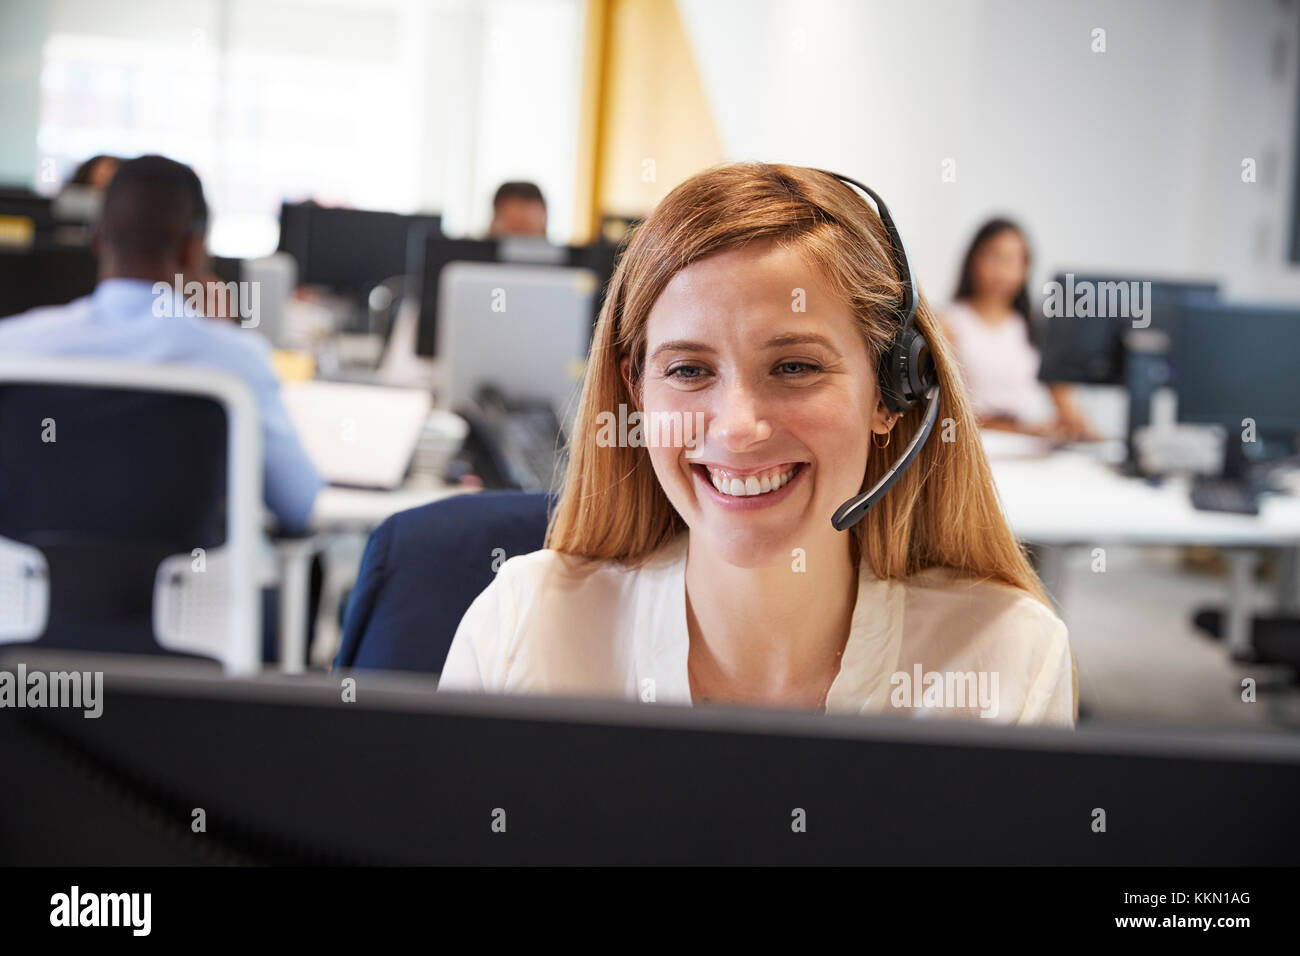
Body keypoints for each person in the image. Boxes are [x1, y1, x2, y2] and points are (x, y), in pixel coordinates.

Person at [439, 163, 1075, 726]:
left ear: (890, 391)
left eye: (795, 367)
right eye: (689, 370)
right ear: (637, 392)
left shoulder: (1005, 661)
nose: (738, 427)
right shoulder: (522, 631)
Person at [0, 154, 322, 531]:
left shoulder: (12, 349)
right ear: (192, 249)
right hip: (186, 589)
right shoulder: (233, 361)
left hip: (27, 589)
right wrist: (221, 334)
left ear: (98, 237)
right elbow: (297, 502)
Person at [940, 219, 1097, 440]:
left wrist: (1076, 426)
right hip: (979, 443)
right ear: (973, 259)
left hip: (1031, 443)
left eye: (1014, 260)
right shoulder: (950, 323)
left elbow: (1067, 408)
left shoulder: (1034, 326)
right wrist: (1024, 431)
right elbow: (951, 412)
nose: (1004, 269)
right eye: (995, 257)